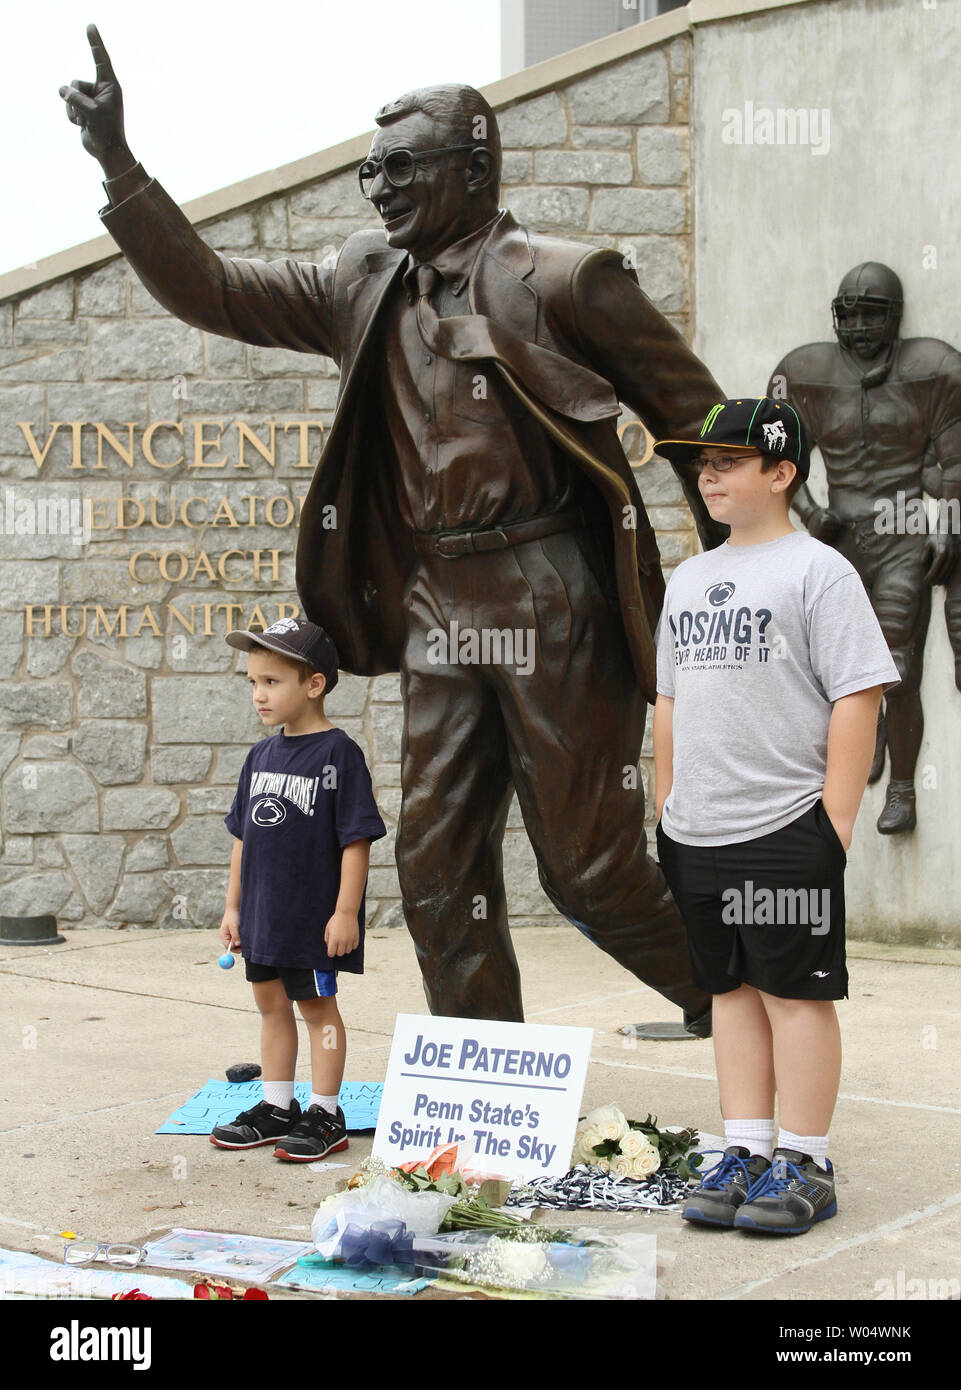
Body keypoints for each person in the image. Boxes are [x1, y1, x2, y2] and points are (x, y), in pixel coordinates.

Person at [61, 26, 729, 1038]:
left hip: (551, 590)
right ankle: (479, 1094)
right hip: (437, 603)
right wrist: (120, 165)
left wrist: (733, 586)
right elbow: (213, 289)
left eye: (400, 165)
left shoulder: (563, 280)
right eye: (370, 167)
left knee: (588, 870)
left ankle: (737, 999)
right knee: (433, 869)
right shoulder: (362, 280)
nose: (377, 186)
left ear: (473, 165)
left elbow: (697, 425)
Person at [652, 398, 900, 1234]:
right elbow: (669, 700)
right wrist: (666, 806)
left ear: (780, 473)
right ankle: (747, 1148)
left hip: (785, 824)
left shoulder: (816, 571)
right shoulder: (688, 578)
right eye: (702, 463)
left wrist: (832, 823)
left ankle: (805, 1158)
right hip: (697, 829)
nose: (707, 474)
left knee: (792, 994)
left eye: (726, 462)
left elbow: (857, 694)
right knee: (727, 989)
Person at [769, 262, 961, 833]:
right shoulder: (804, 371)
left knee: (898, 667)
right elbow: (775, 449)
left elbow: (955, 461)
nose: (856, 325)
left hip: (902, 534)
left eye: (869, 313)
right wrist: (807, 512)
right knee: (829, 669)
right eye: (847, 313)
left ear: (894, 316)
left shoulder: (934, 369)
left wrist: (947, 526)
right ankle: (859, 743)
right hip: (840, 538)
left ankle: (902, 787)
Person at [211, 617, 386, 1162]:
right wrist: (233, 906)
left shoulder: (339, 754)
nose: (259, 694)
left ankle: (326, 1112)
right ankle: (277, 1106)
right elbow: (243, 838)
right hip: (264, 916)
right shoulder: (259, 757)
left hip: (313, 919)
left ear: (314, 684)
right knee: (269, 1006)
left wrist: (346, 913)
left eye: (271, 682)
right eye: (253, 683)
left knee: (316, 1009)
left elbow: (356, 839)